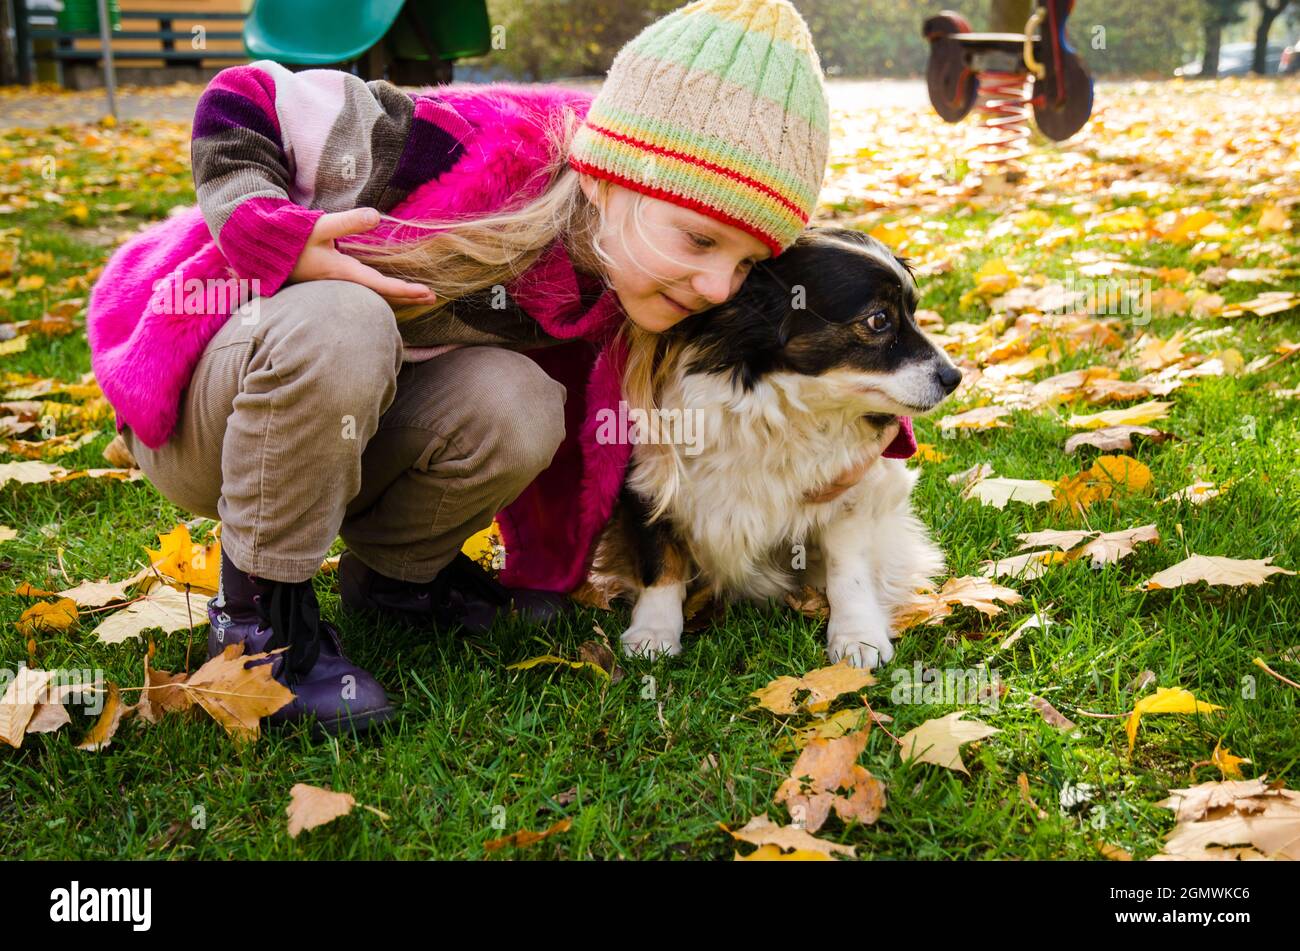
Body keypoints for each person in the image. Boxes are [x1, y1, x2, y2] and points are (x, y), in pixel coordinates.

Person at [86, 0, 916, 738]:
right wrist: (273, 233)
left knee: (521, 399)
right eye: (700, 240)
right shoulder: (456, 143)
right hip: (210, 396)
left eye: (744, 262)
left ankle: (399, 583)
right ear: (610, 179)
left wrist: (870, 431)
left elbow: (774, 342)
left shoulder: (651, 282)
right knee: (347, 320)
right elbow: (244, 96)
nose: (715, 285)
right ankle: (261, 625)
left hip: (343, 420)